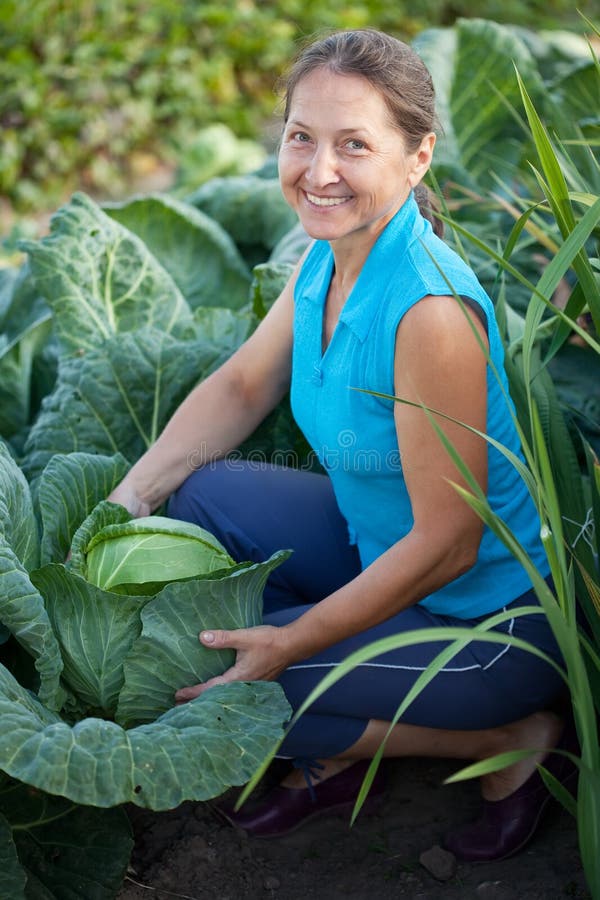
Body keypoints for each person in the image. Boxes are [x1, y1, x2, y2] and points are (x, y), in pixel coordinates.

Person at [108, 29, 574, 861]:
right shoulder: (327, 256)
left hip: (484, 624)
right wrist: (128, 500)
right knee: (200, 496)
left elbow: (450, 544)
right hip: (377, 549)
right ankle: (344, 717)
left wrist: (293, 639)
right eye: (301, 138)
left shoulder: (429, 312)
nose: (318, 172)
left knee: (233, 681)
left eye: (354, 145)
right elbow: (243, 386)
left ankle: (511, 737)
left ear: (418, 156)